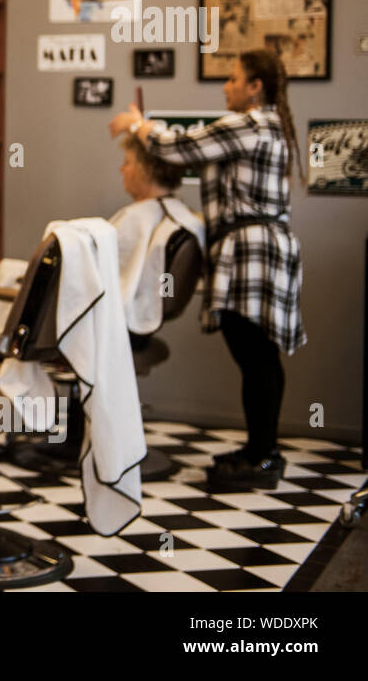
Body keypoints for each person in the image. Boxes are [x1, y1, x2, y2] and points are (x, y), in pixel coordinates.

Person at [110, 48, 306, 490]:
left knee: (255, 354)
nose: (226, 86)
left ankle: (262, 456)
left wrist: (136, 125)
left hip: (251, 250)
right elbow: (192, 151)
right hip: (253, 248)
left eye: (233, 78)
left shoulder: (250, 124)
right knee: (256, 354)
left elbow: (180, 147)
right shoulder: (257, 128)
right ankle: (261, 450)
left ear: (255, 86)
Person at [110, 134, 204, 338]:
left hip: (119, 325)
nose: (122, 170)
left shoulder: (136, 218)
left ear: (148, 170)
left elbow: (102, 274)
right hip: (147, 315)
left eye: (127, 162)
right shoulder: (184, 217)